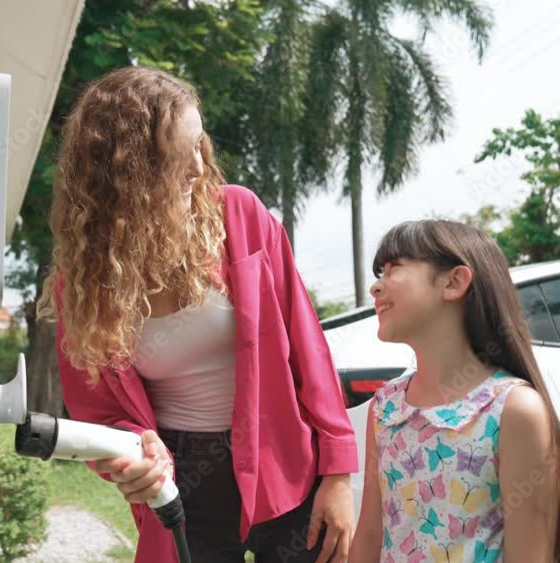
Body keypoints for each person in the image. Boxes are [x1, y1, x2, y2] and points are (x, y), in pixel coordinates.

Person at [36, 66, 358, 563]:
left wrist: (337, 474)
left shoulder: (241, 216)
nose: (196, 168)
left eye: (198, 147)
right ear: (126, 170)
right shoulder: (83, 280)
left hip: (285, 466)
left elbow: (308, 351)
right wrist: (131, 455)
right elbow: (98, 412)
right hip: (180, 480)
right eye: (175, 156)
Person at [349, 220, 560, 563]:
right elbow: (371, 535)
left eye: (393, 269)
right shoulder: (387, 408)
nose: (376, 287)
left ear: (454, 281)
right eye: (379, 272)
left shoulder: (512, 410)